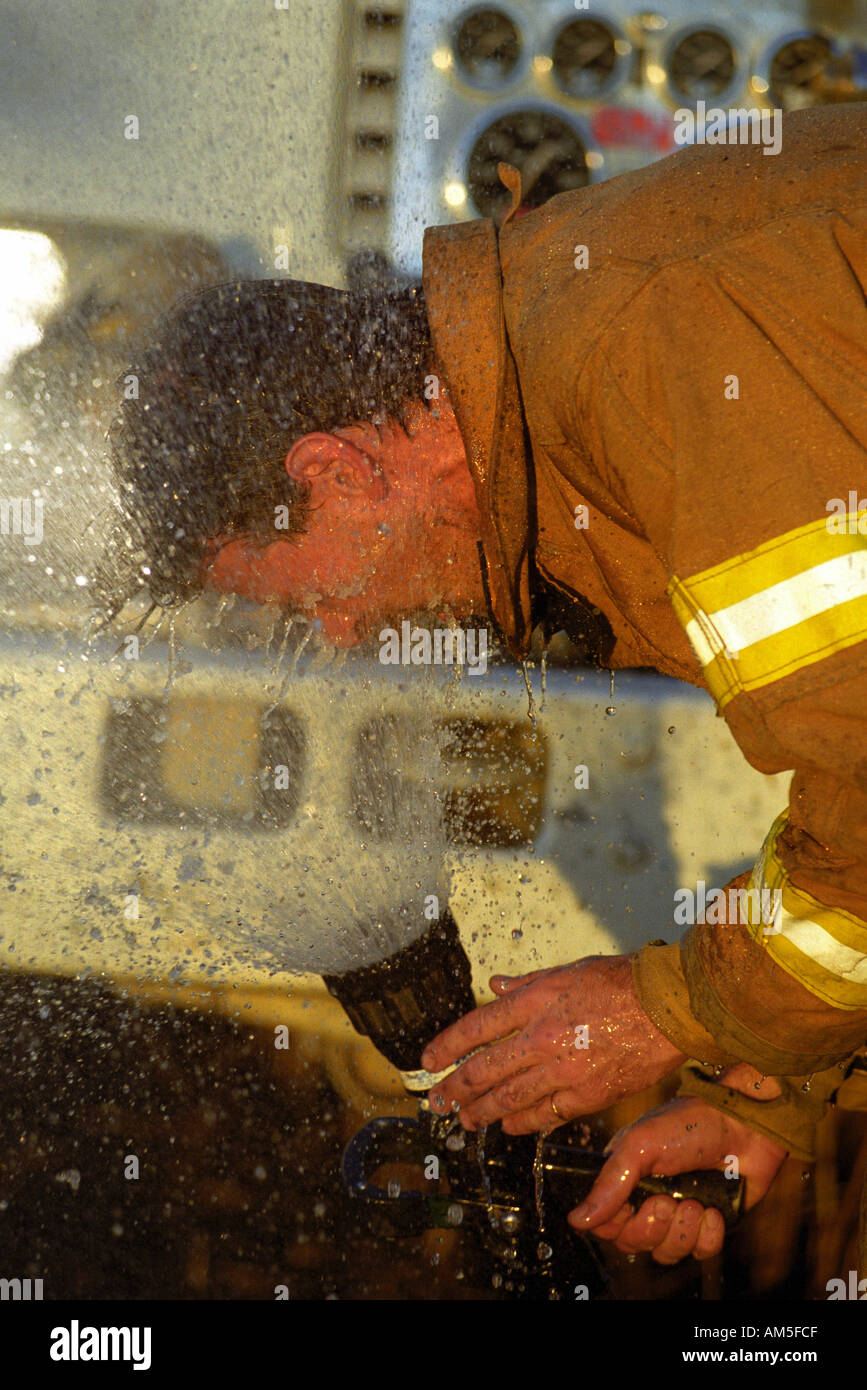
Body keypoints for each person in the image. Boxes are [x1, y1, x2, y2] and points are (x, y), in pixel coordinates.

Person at [98, 102, 867, 1267]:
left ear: (335, 469)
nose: (346, 636)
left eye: (312, 599)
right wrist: (763, 1087)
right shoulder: (584, 353)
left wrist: (669, 1008)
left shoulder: (640, 362)